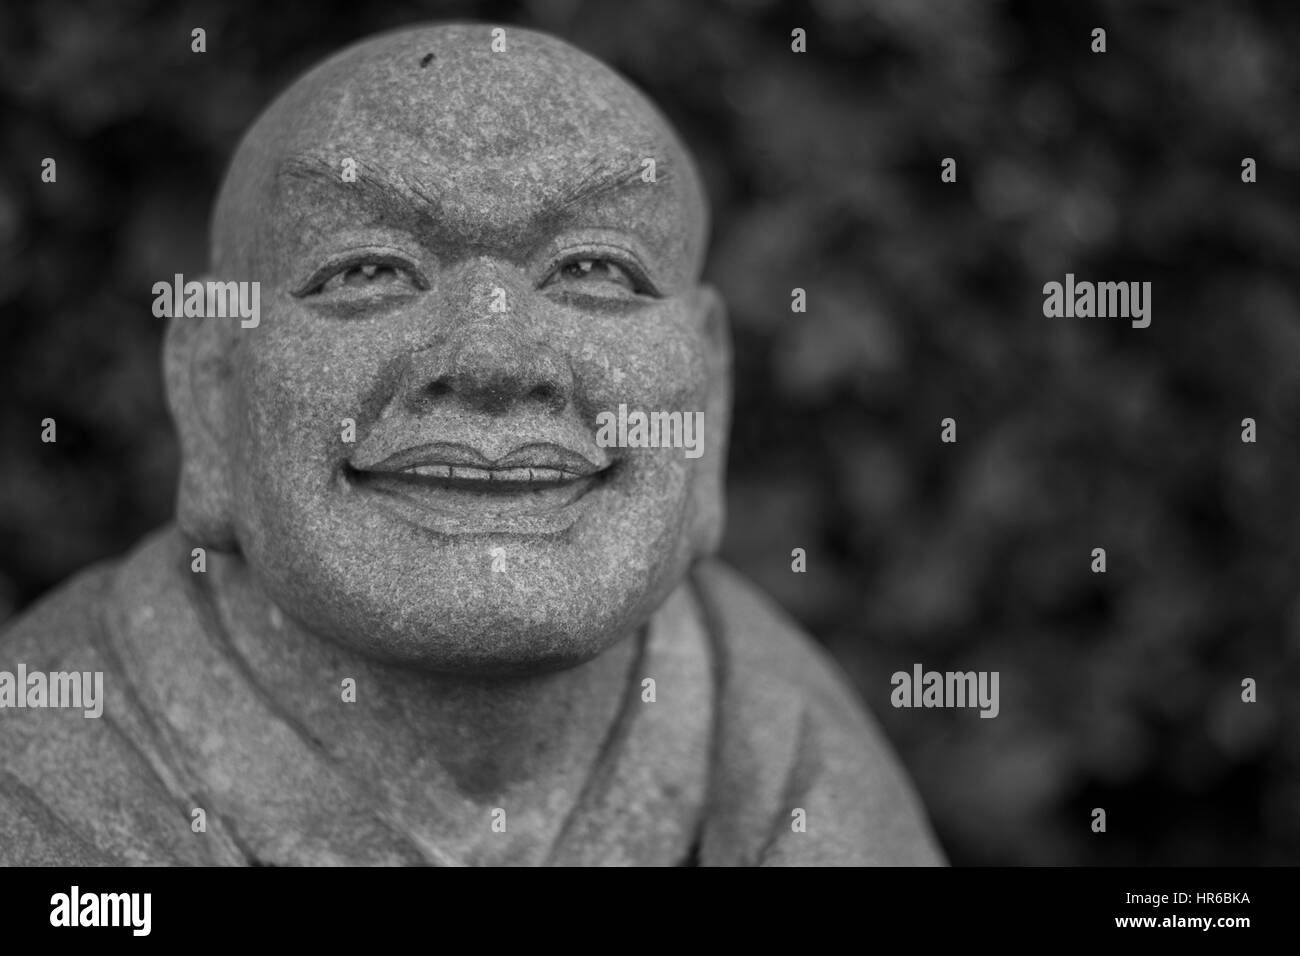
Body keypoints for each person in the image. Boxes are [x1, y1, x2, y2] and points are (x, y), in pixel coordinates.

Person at [0, 23, 943, 866]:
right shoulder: (41, 770)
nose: (493, 356)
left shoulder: (796, 767)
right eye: (365, 269)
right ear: (211, 394)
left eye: (595, 269)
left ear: (713, 392)